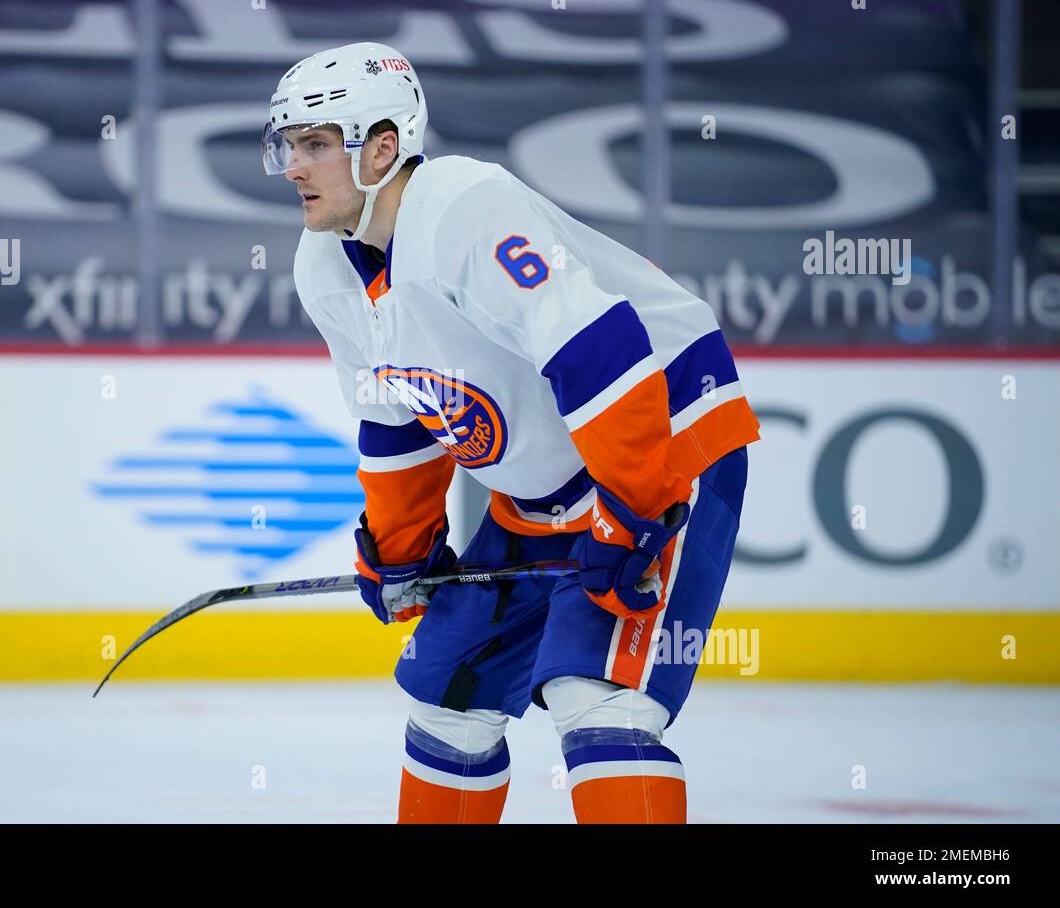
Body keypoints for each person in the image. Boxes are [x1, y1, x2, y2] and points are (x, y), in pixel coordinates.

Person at [262, 42, 760, 823]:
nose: (294, 165)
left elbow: (603, 354)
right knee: (446, 700)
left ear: (383, 147)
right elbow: (396, 420)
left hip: (662, 439)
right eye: (289, 145)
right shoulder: (323, 264)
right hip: (540, 490)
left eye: (316, 144)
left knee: (597, 699)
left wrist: (632, 515)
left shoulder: (464, 206)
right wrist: (402, 554)